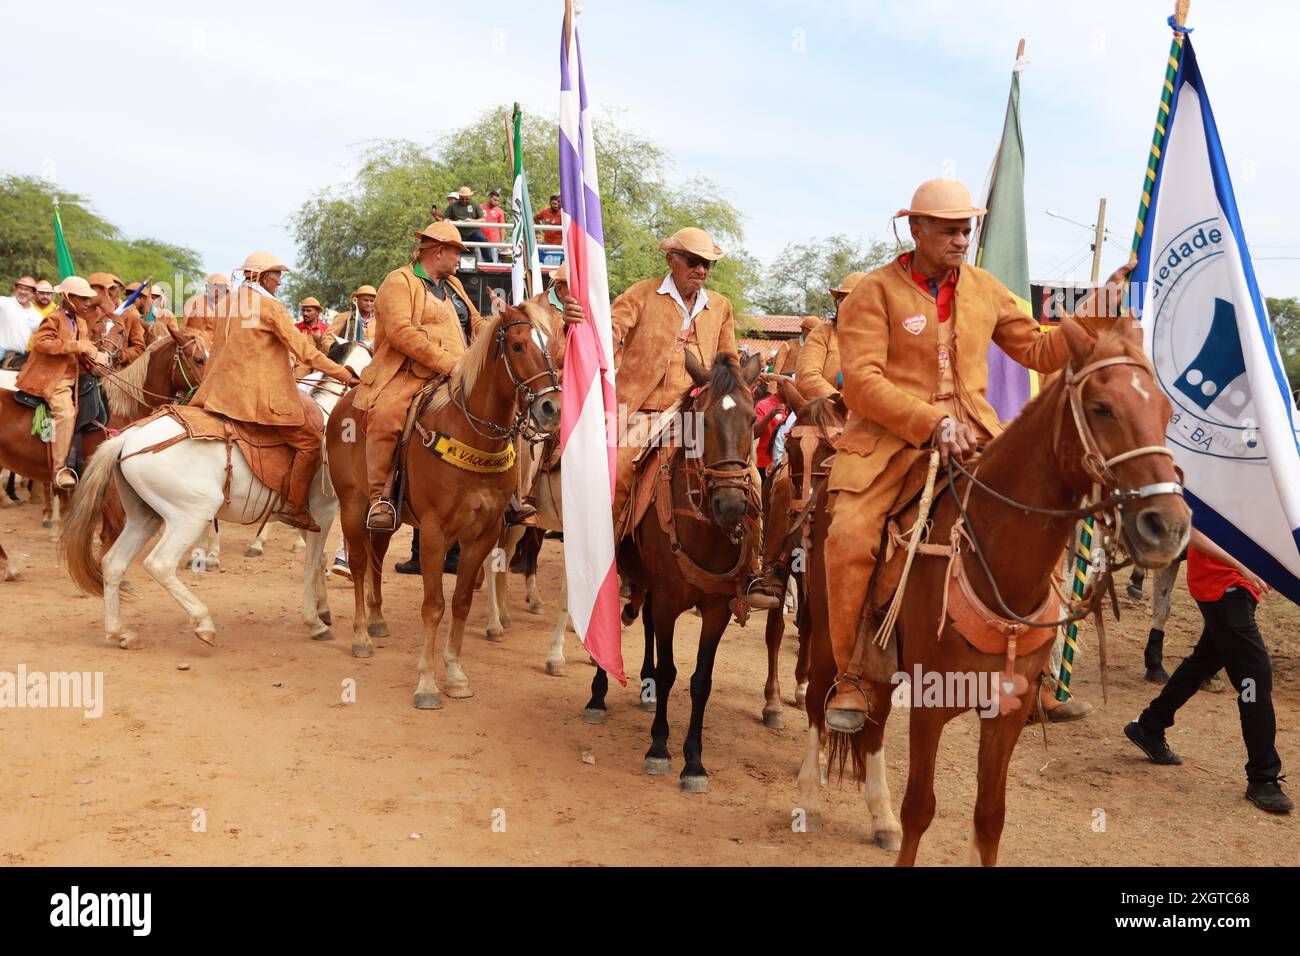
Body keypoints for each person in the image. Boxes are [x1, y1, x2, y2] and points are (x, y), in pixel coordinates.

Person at [822, 179, 1130, 733]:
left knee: (1040, 522)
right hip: (888, 444)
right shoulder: (874, 292)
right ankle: (850, 675)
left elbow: (1039, 349)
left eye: (967, 229)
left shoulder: (987, 289)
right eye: (949, 229)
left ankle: (1032, 672)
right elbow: (862, 384)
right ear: (915, 229)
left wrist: (1098, 308)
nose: (962, 239)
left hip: (977, 437)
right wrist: (929, 420)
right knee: (848, 535)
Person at [610, 226, 781, 610]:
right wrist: (580, 324)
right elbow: (607, 333)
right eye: (694, 261)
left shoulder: (719, 306)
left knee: (748, 474)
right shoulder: (640, 294)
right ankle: (608, 567)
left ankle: (751, 570)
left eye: (707, 264)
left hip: (697, 411)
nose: (701, 270)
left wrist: (738, 394)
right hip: (642, 410)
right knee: (617, 470)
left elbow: (729, 361)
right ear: (672, 260)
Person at [1124, 529, 1292, 813]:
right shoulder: (1213, 484)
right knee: (1255, 679)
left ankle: (1149, 726)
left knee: (1204, 661)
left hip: (1237, 586)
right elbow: (1192, 531)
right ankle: (1262, 778)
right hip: (1223, 586)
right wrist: (1242, 566)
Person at [189, 251, 358, 531]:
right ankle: (294, 507)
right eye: (275, 275)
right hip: (256, 396)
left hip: (217, 393)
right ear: (261, 276)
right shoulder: (270, 307)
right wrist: (342, 374)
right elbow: (303, 350)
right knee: (309, 442)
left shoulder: (227, 302)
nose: (279, 281)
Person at [352, 222, 485, 531]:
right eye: (456, 253)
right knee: (386, 416)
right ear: (438, 252)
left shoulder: (454, 285)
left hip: (461, 373)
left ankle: (509, 494)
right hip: (407, 373)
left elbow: (475, 322)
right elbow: (401, 333)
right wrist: (447, 364)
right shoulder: (399, 281)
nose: (458, 260)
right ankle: (380, 498)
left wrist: (497, 327)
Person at [14, 276, 109, 488]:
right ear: (68, 298)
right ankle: (60, 470)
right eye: (82, 298)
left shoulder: (81, 322)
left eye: (88, 299)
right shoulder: (54, 318)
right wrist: (78, 346)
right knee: (66, 414)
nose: (87, 303)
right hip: (54, 379)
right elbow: (42, 343)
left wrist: (96, 357)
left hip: (76, 377)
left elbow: (82, 350)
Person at [86, 272, 146, 367]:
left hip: (116, 373)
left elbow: (140, 349)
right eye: (106, 288)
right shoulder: (89, 313)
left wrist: (119, 355)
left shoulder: (130, 316)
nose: (109, 292)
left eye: (113, 288)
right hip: (89, 368)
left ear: (120, 289)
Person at [0, 276, 41, 364]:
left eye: (27, 290)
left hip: (18, 355)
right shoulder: (3, 302)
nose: (23, 292)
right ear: (15, 289)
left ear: (34, 294)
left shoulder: (36, 315)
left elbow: (42, 335)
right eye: (20, 288)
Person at [444, 186, 490, 260]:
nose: (465, 200)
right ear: (459, 196)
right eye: (462, 198)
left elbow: (482, 220)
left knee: (482, 239)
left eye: (467, 198)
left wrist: (472, 221)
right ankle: (448, 262)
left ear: (470, 196)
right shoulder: (452, 206)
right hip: (457, 233)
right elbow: (446, 218)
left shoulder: (475, 204)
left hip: (473, 232)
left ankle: (489, 261)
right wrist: (453, 222)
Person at [481, 189, 506, 263]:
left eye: (498, 200)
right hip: (480, 241)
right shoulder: (479, 208)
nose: (496, 202)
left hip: (494, 242)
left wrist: (502, 243)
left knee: (493, 264)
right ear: (489, 197)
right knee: (479, 264)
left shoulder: (500, 211)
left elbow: (502, 227)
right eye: (494, 200)